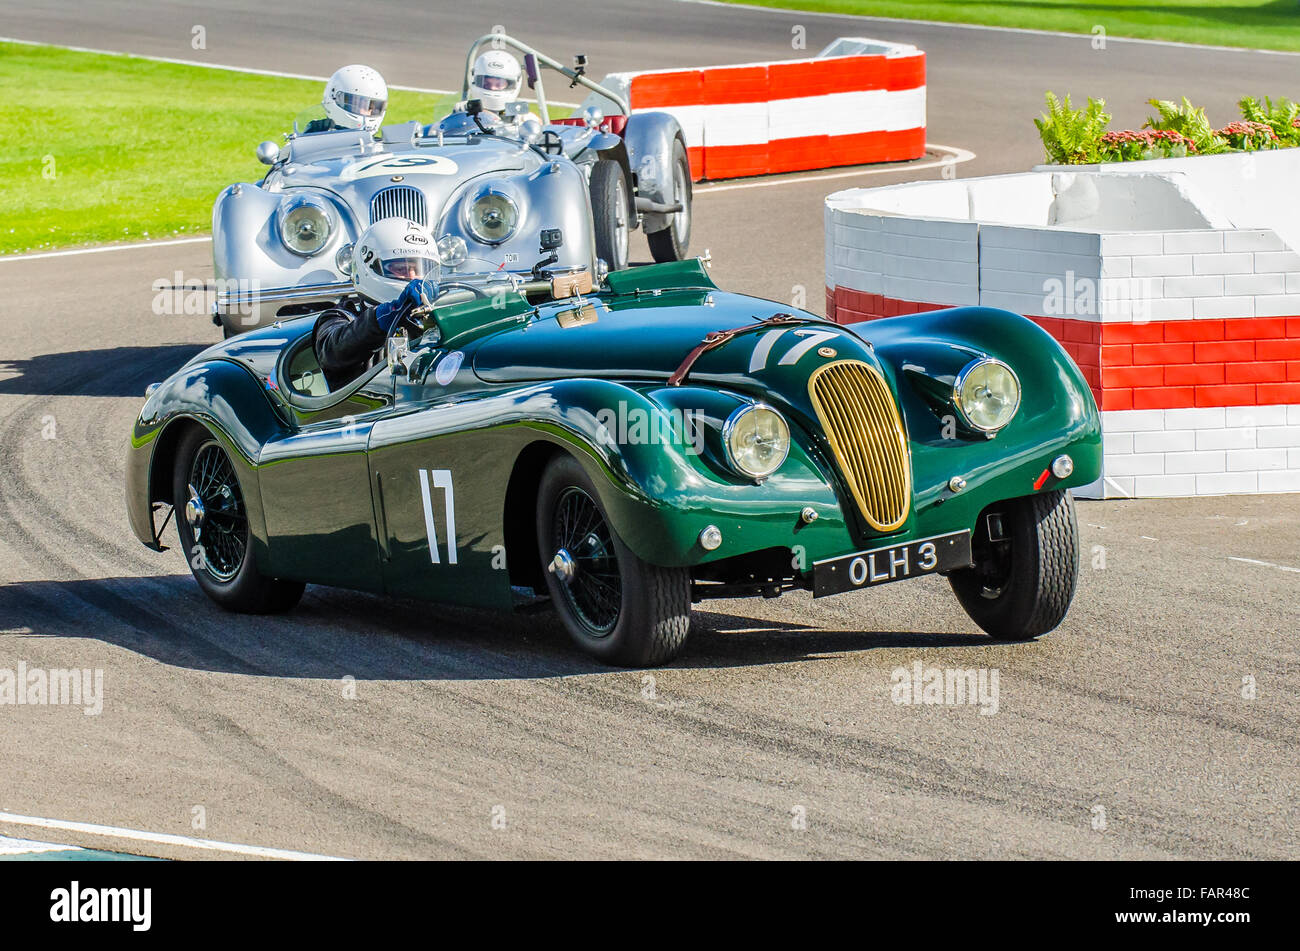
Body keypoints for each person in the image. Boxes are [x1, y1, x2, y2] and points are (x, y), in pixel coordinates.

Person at [314, 218, 438, 388]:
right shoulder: (338, 317)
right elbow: (333, 351)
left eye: (419, 269)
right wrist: (388, 313)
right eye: (400, 269)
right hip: (365, 409)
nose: (414, 276)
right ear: (369, 268)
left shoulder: (434, 316)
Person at [303, 64, 389, 135]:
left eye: (370, 108)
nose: (363, 112)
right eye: (356, 104)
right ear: (333, 97)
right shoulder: (310, 138)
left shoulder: (382, 151)